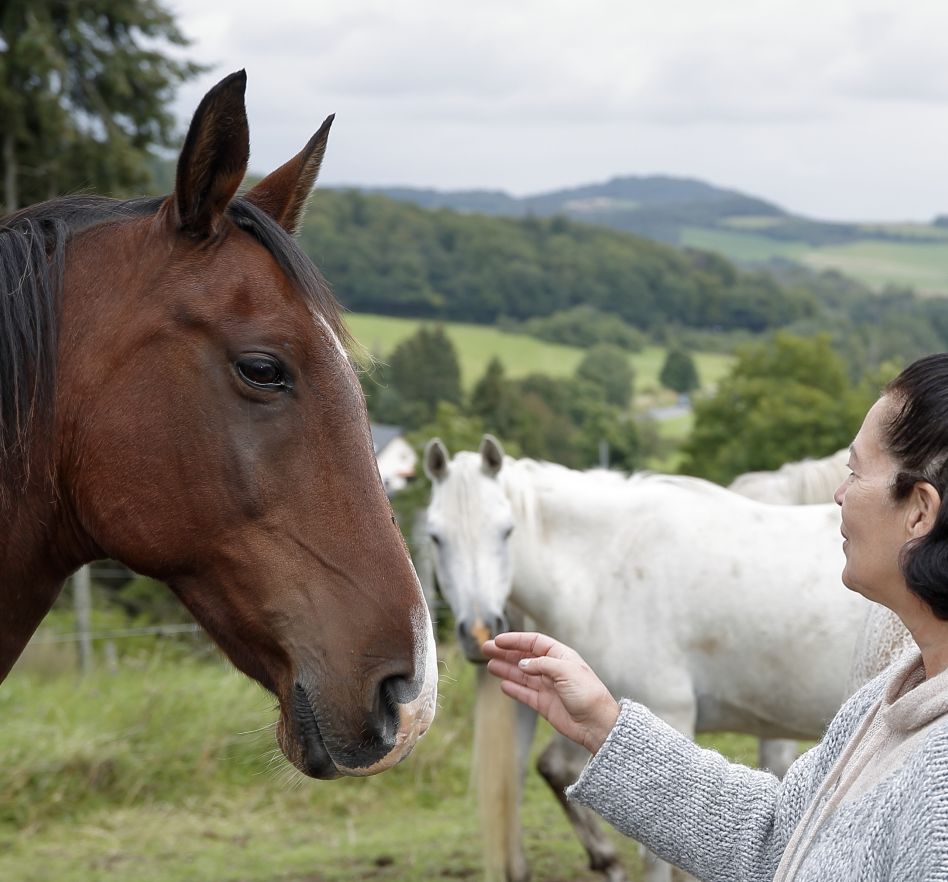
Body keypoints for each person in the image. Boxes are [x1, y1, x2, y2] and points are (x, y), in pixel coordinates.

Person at [483, 352, 948, 882]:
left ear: (919, 510)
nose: (838, 495)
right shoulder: (887, 699)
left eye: (854, 472)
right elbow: (779, 835)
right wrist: (605, 726)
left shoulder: (939, 787)